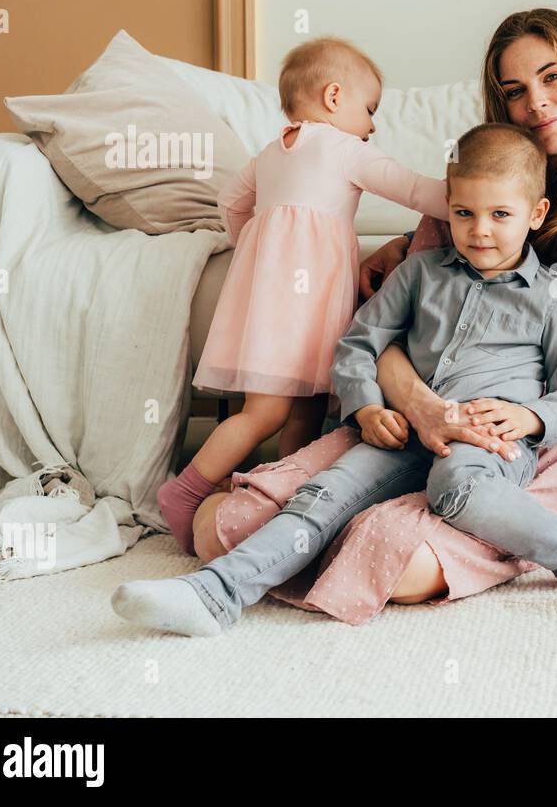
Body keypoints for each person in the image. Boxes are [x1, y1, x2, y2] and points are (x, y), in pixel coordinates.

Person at [187, 8, 557, 617]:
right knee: (218, 525)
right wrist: (422, 410)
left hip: (531, 448)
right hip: (417, 423)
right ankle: (253, 568)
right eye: (514, 92)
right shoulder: (464, 189)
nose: (537, 103)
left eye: (552, 77)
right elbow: (389, 331)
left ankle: (325, 547)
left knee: (393, 559)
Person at [156, 37, 447, 555]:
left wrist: (256, 244)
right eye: (370, 108)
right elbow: (414, 189)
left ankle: (284, 493)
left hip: (275, 298)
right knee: (269, 412)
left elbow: (231, 204)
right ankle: (187, 490)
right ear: (335, 96)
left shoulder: (270, 153)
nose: (373, 124)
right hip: (306, 302)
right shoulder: (343, 148)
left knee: (306, 410)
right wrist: (476, 197)